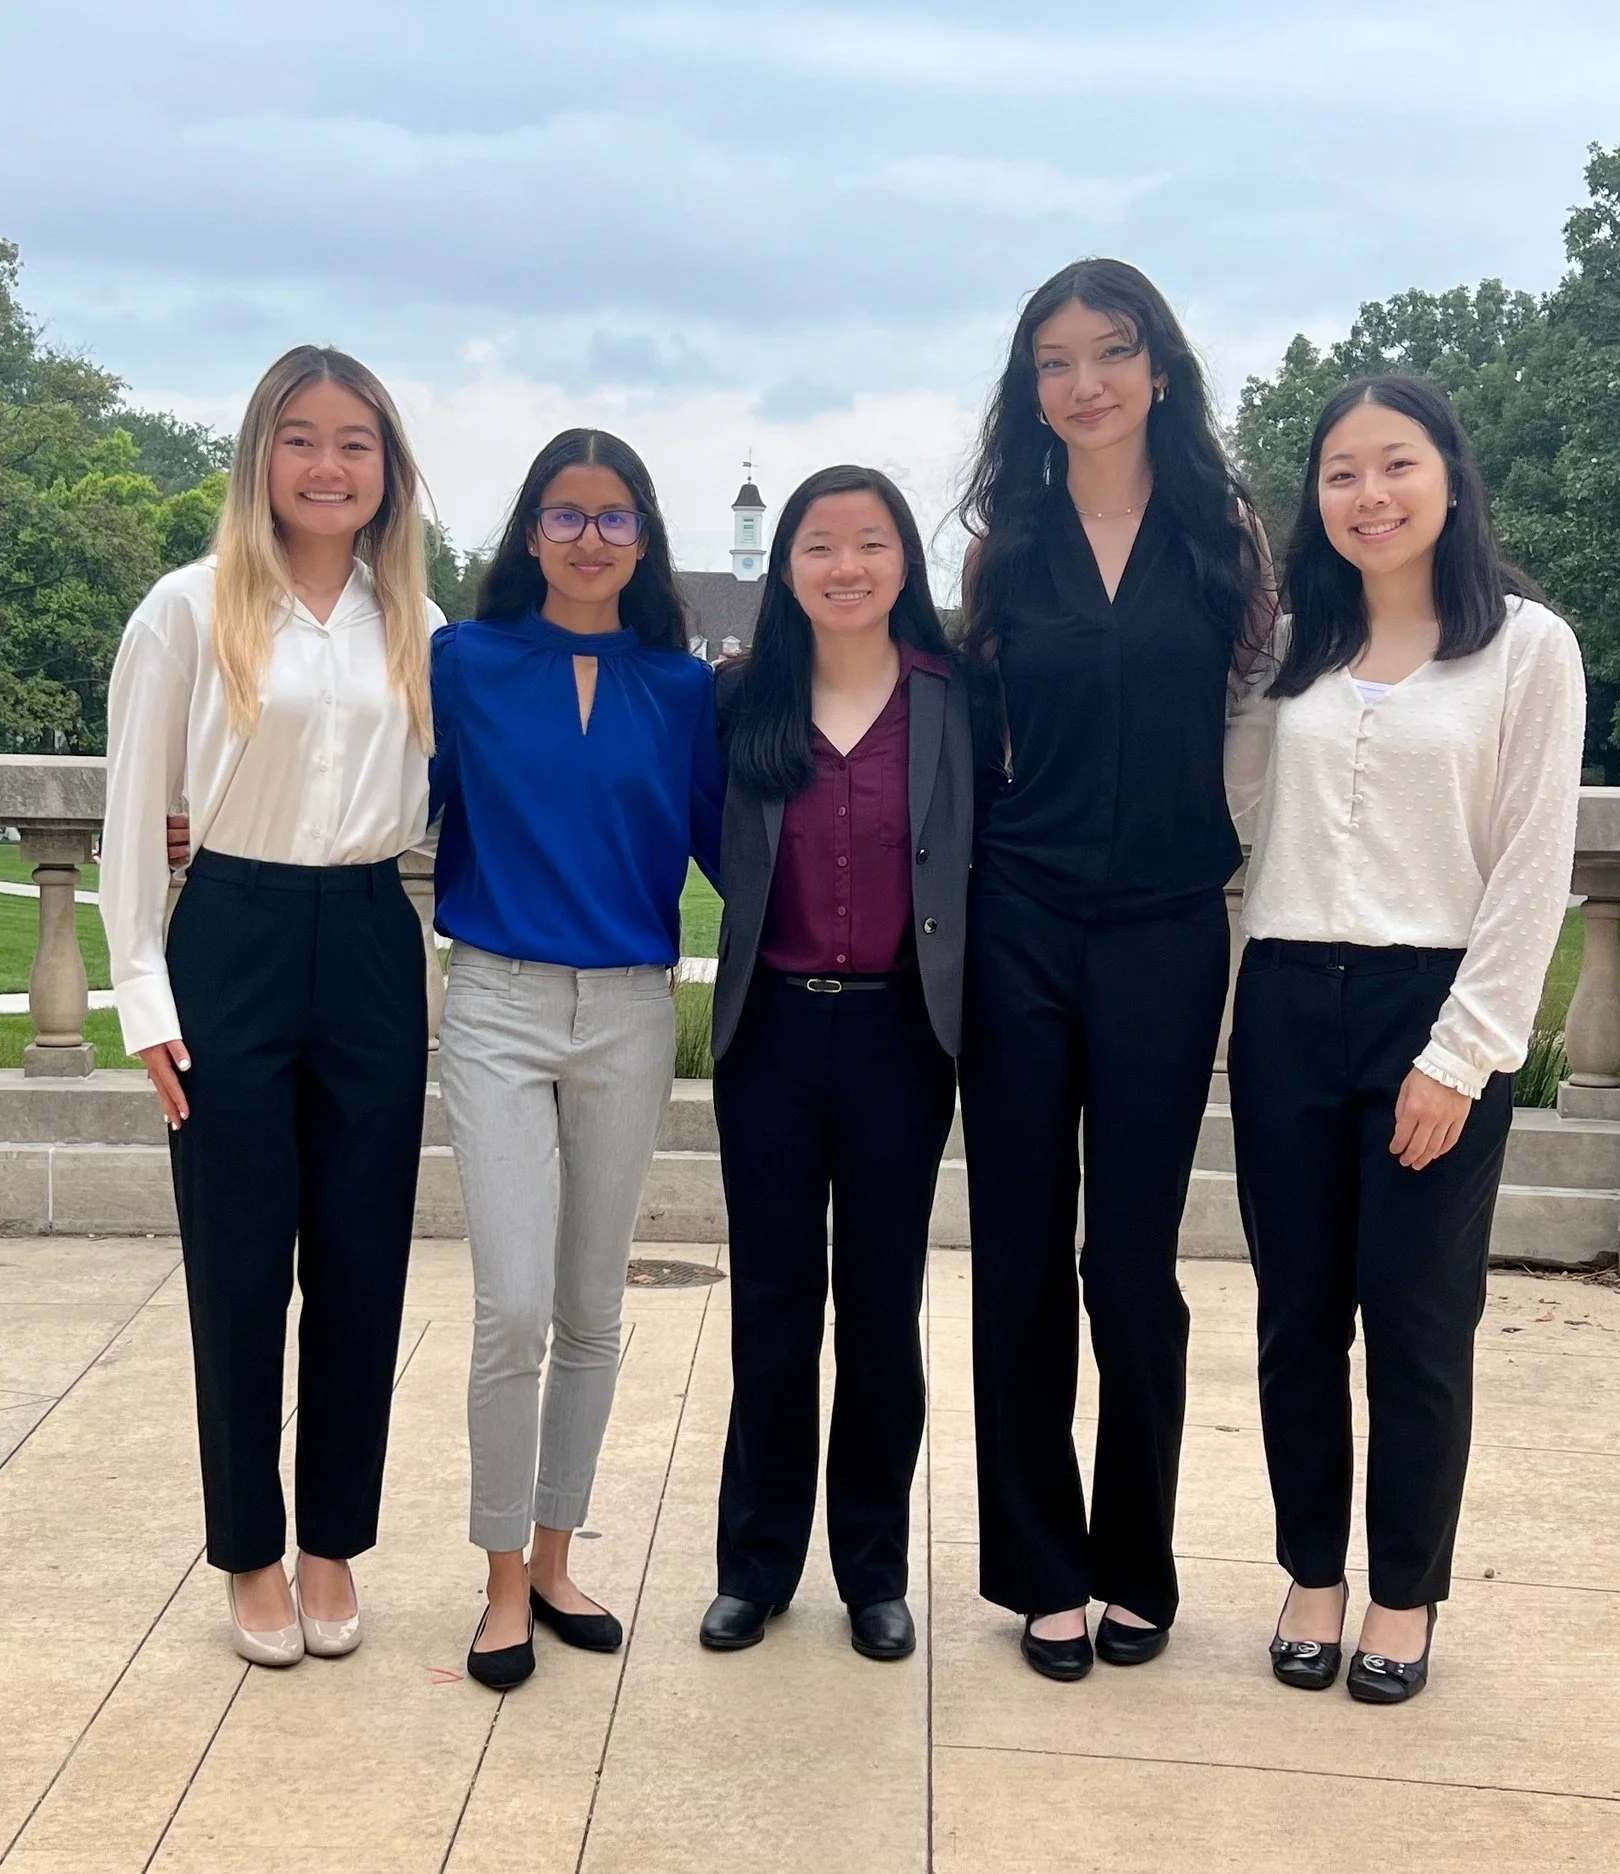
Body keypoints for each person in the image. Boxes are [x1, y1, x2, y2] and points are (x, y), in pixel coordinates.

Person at [1225, 374, 1585, 1703]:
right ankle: (1309, 1569)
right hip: (1281, 998)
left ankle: (1400, 1593)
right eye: (1338, 472)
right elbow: (1229, 802)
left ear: (1446, 475)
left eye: (1394, 464)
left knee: (1418, 1324)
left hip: (1429, 1003)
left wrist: (1460, 1053)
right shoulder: (1290, 654)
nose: (1367, 494)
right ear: (1312, 500)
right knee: (1295, 1319)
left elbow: (1530, 866)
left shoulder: (1524, 648)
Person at [956, 257, 1272, 1681]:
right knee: (1019, 1254)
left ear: (1158, 367)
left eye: (1109, 352)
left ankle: (1135, 1555)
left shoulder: (1225, 535)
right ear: (1030, 391)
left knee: (1130, 1263)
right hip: (1017, 919)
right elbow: (961, 744)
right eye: (1054, 362)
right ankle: (1041, 1567)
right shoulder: (1003, 549)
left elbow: (1279, 727)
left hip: (1163, 927)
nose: (1083, 383)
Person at [101, 345, 438, 1667]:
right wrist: (142, 995)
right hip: (230, 934)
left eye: (355, 441)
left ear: (385, 470)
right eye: (300, 438)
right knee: (240, 1271)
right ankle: (248, 1549)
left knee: (362, 1265)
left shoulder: (416, 628)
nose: (327, 464)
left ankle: (332, 1544)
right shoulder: (186, 611)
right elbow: (134, 814)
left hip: (366, 934)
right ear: (260, 457)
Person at [429, 429, 722, 1693]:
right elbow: (381, 791)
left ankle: (555, 1557)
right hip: (494, 997)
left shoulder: (682, 686)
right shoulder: (466, 660)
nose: (589, 537)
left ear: (643, 538)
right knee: (509, 1307)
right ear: (530, 533)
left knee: (593, 1308)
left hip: (628, 1010)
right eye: (565, 514)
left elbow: (731, 844)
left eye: (612, 517)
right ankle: (499, 1578)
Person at [700, 466, 971, 1662]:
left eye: (869, 542)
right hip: (768, 1030)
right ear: (785, 564)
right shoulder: (738, 702)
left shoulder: (956, 701)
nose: (845, 565)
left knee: (876, 1311)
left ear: (904, 561)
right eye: (819, 543)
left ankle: (871, 1565)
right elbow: (700, 839)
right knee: (769, 1304)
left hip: (897, 1038)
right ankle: (753, 1564)